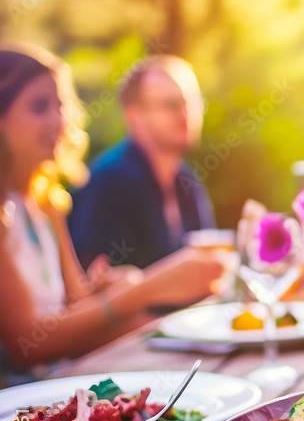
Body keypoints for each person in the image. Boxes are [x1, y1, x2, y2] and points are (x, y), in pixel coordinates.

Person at [0, 43, 225, 383]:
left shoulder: (46, 202)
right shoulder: (9, 213)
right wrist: (147, 288)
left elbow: (72, 306)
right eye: (39, 106)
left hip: (67, 378)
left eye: (61, 105)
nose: (58, 120)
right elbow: (27, 345)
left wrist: (114, 288)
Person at [69, 55, 215, 269]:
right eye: (172, 104)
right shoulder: (111, 181)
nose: (187, 113)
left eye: (193, 102)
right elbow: (90, 277)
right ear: (134, 115)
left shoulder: (186, 180)